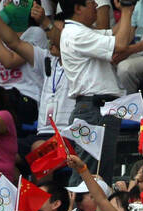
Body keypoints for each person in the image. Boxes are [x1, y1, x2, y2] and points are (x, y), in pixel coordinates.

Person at [55, 0, 137, 176]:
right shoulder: (76, 33)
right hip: (94, 111)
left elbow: (118, 34)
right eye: (91, 3)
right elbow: (121, 44)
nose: (96, 6)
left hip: (96, 110)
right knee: (90, 177)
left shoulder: (81, 31)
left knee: (98, 175)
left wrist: (128, 10)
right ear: (78, 8)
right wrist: (125, 10)